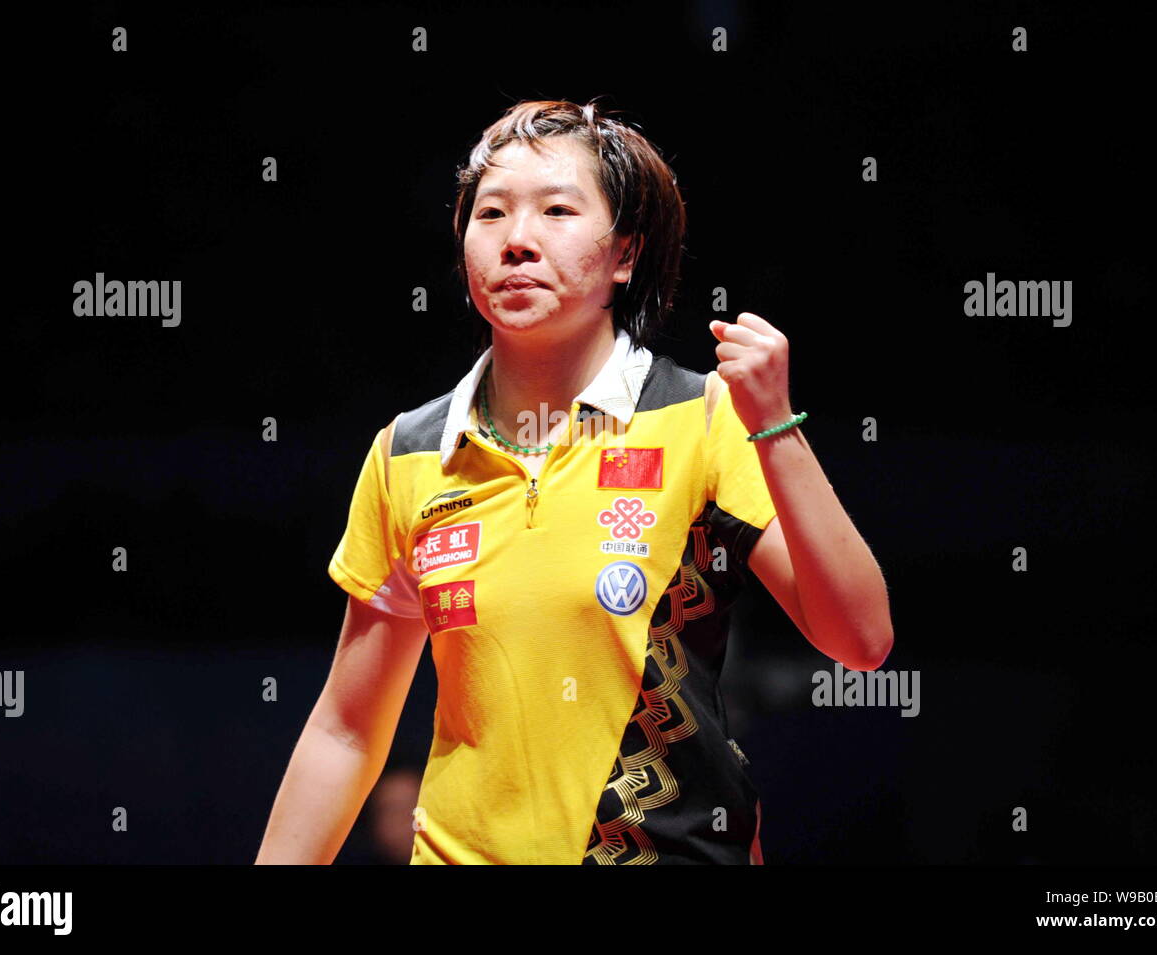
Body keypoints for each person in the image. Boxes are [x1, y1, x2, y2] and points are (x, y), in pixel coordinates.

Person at [255, 98, 893, 865]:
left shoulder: (701, 418)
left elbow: (860, 638)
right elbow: (347, 728)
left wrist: (776, 426)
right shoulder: (409, 454)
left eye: (557, 210)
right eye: (490, 214)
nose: (517, 241)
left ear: (624, 254)